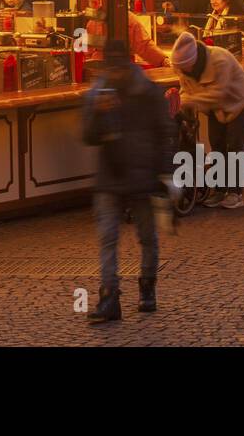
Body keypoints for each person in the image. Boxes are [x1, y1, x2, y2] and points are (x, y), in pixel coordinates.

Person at [82, 39, 175, 322]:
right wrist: (98, 114)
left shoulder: (147, 91)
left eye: (119, 67)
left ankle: (147, 288)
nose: (115, 73)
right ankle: (109, 298)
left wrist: (163, 172)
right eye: (111, 68)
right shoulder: (99, 93)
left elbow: (165, 132)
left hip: (142, 174)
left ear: (128, 63)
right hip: (111, 174)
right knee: (108, 237)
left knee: (146, 236)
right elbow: (88, 136)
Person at [170, 31, 244, 209]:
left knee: (235, 146)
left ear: (192, 63)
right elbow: (186, 89)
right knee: (217, 144)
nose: (181, 71)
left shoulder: (220, 60)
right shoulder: (183, 68)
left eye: (184, 68)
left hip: (237, 102)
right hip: (215, 108)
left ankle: (235, 192)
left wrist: (189, 100)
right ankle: (220, 190)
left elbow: (218, 93)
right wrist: (181, 103)